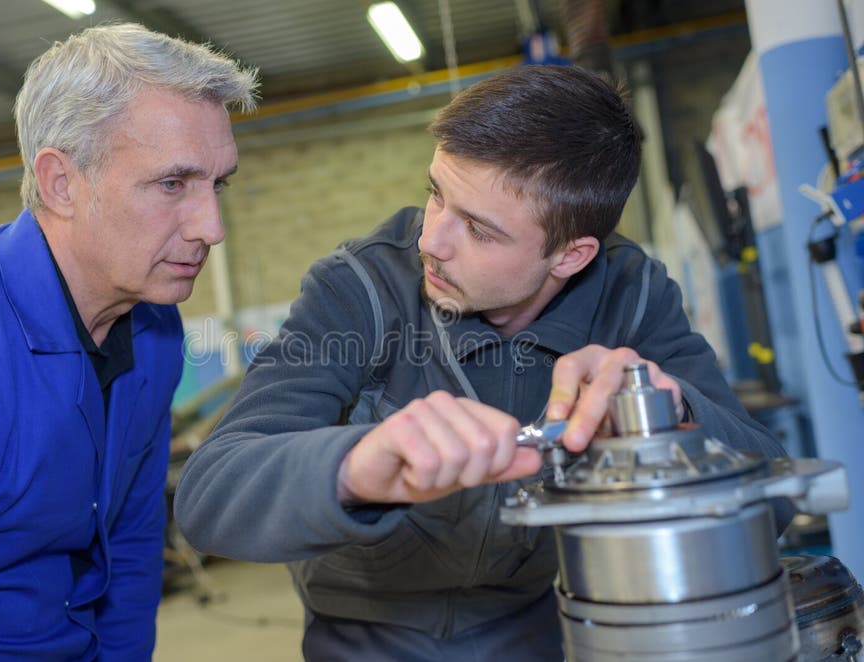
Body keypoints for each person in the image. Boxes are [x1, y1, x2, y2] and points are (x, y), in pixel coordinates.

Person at [174, 65, 788, 660]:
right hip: (365, 634)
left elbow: (777, 495)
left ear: (570, 257)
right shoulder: (357, 289)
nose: (431, 241)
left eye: (479, 229)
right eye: (436, 195)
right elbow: (211, 495)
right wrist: (356, 467)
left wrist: (671, 408)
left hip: (536, 626)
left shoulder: (634, 298)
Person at [0, 23, 257, 660]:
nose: (211, 227)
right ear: (60, 183)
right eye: (172, 184)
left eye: (218, 183)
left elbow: (132, 545)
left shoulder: (154, 329)